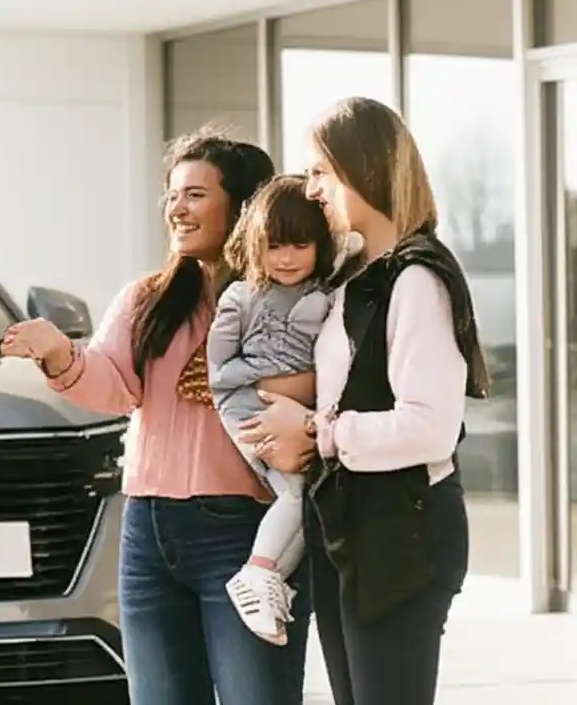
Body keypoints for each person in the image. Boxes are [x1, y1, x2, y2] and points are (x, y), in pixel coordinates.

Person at [0, 128, 310, 705]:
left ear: (241, 207)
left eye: (195, 194)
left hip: (243, 530)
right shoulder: (146, 298)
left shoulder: (279, 302)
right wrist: (59, 353)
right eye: (172, 195)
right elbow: (114, 386)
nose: (177, 208)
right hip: (147, 529)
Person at [239, 96, 488, 705]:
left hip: (400, 539)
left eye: (321, 172)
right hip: (351, 529)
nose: (311, 189)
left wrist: (317, 431)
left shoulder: (416, 279)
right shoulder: (352, 275)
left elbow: (429, 428)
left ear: (363, 169)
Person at [206, 173, 338, 647]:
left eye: (300, 245)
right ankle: (260, 572)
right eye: (275, 246)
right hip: (249, 406)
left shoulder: (325, 290)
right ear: (255, 243)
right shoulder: (241, 297)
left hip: (298, 411)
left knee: (305, 495)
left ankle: (267, 577)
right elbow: (218, 370)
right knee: (295, 491)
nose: (286, 258)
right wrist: (272, 378)